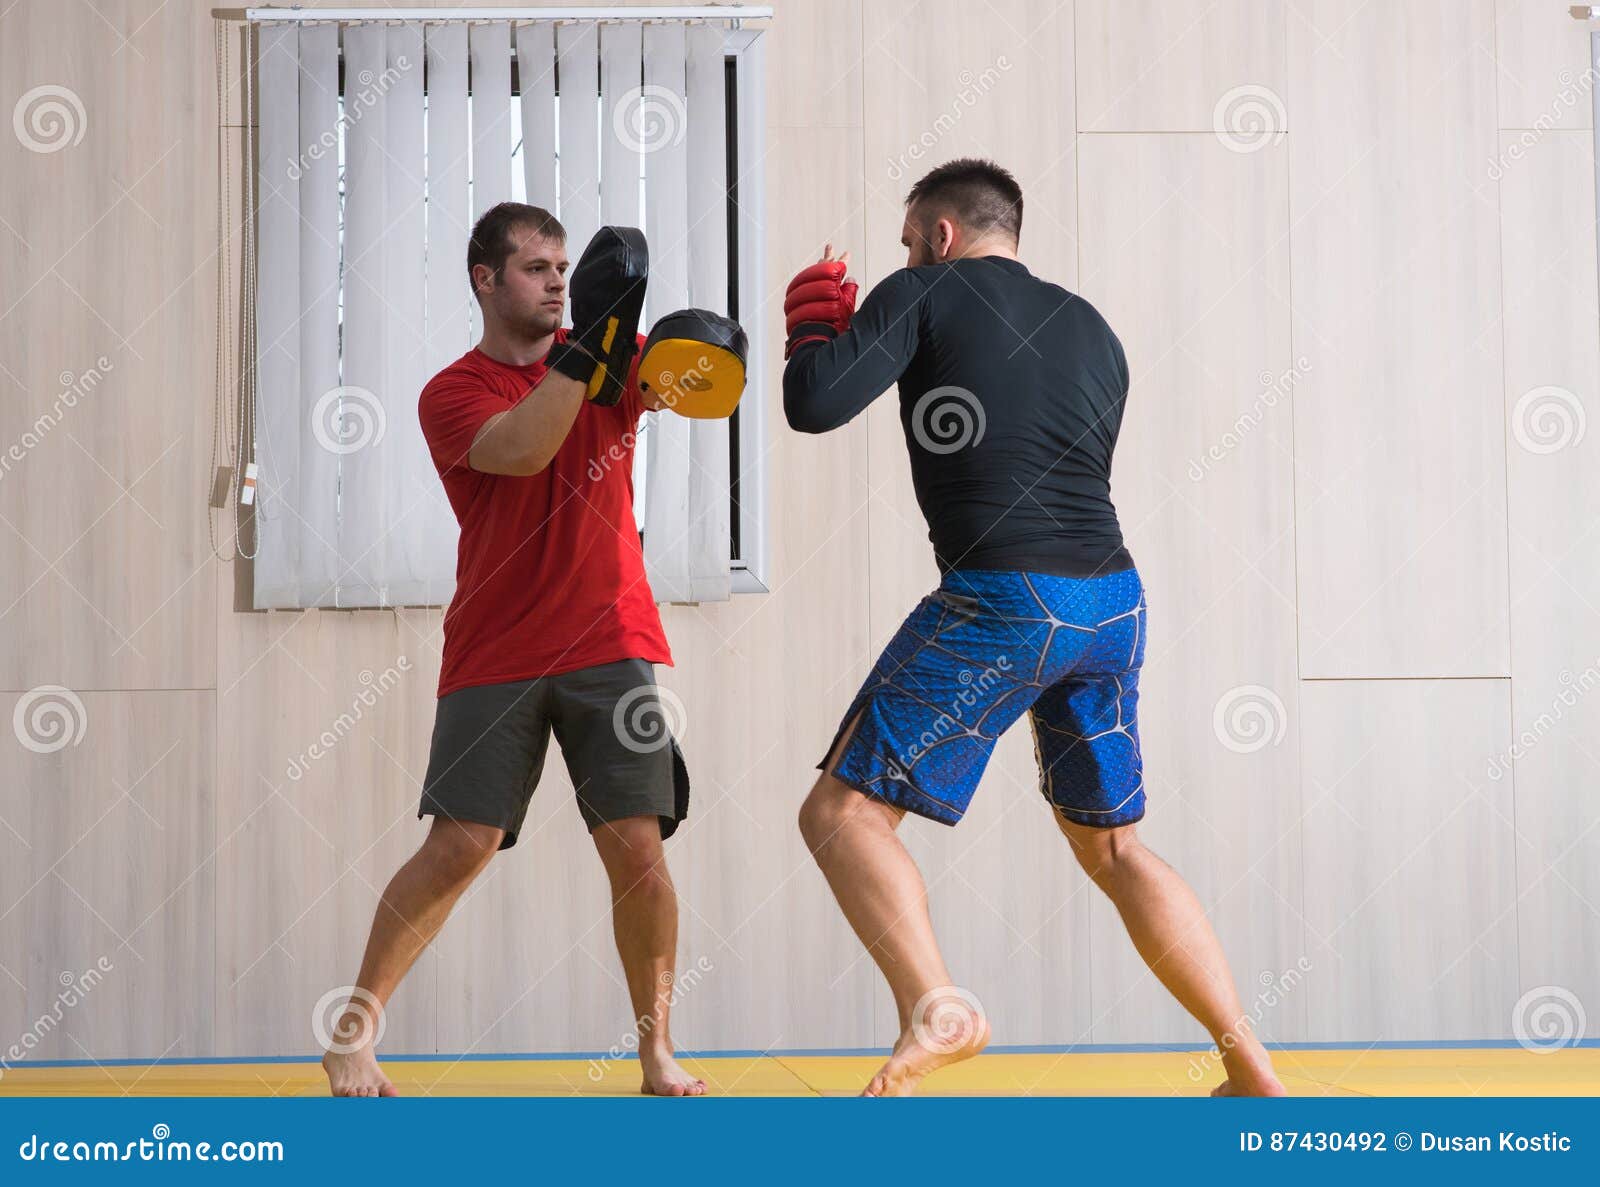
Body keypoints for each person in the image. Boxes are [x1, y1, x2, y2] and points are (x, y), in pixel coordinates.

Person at [784, 158, 1286, 1099]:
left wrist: (815, 327)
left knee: (840, 814)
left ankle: (938, 1005)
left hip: (1008, 603)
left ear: (939, 235)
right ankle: (1248, 1061)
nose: (905, 257)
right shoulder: (1093, 327)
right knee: (1115, 845)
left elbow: (812, 405)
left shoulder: (920, 292)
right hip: (1114, 604)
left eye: (908, 242)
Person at [322, 204, 705, 1098]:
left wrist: (704, 351)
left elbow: (700, 386)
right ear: (485, 280)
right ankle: (352, 1035)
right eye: (535, 266)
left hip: (611, 635)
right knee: (461, 844)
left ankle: (655, 1054)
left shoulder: (611, 360)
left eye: (565, 265)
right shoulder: (451, 392)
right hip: (496, 647)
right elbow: (528, 450)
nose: (558, 280)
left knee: (640, 852)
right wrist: (591, 353)